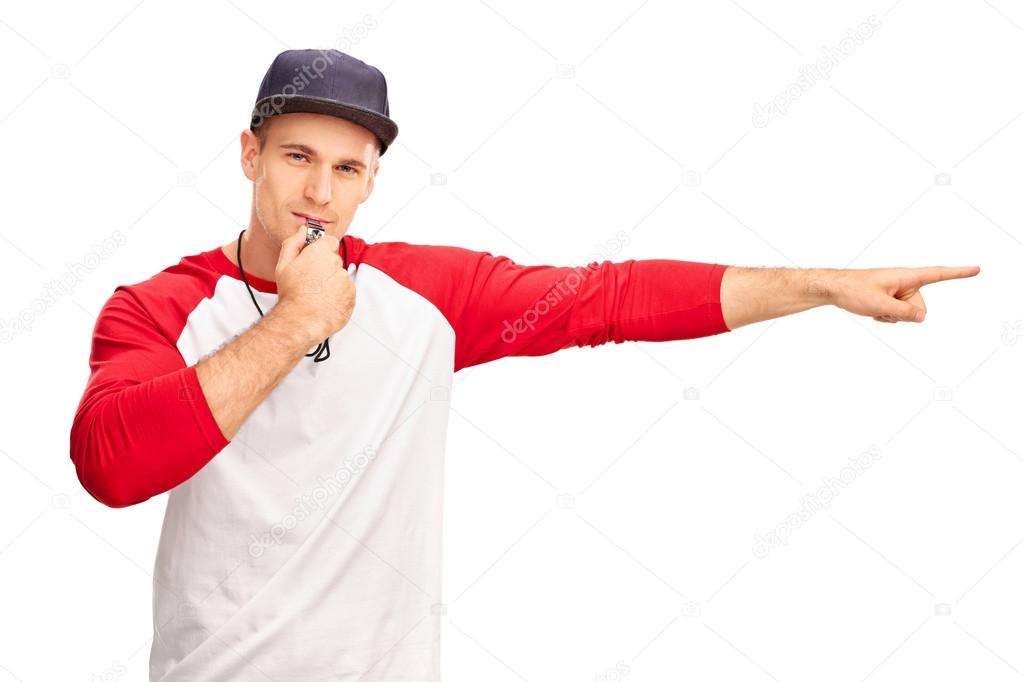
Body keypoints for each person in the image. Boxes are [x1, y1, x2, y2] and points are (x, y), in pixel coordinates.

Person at [68, 48, 980, 681]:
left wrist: (819, 285)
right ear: (249, 156)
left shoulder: (423, 295)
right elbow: (113, 467)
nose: (318, 191)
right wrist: (296, 319)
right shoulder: (159, 307)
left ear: (372, 180)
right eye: (297, 157)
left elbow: (607, 299)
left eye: (347, 169)